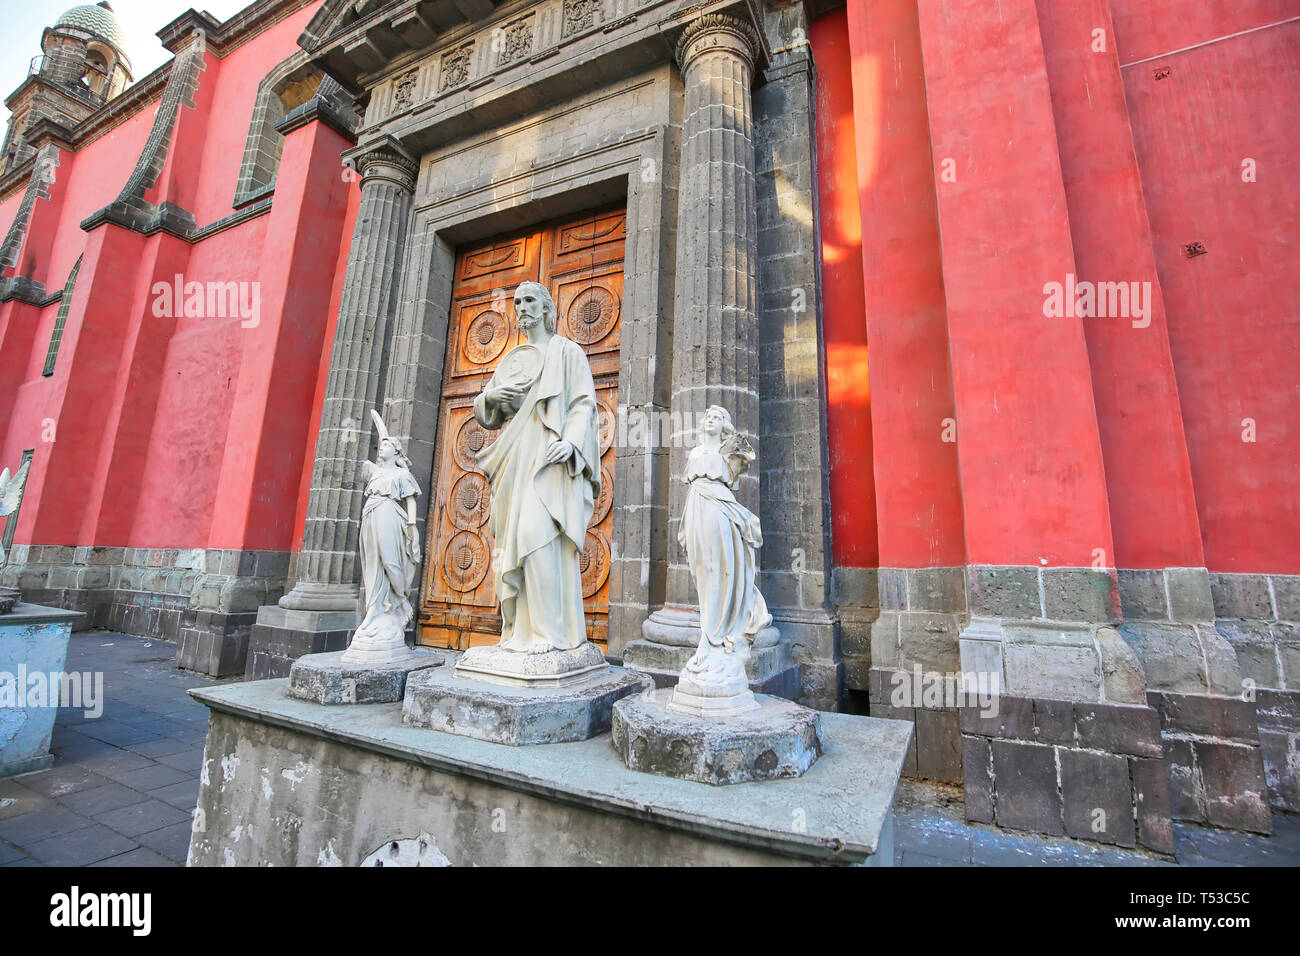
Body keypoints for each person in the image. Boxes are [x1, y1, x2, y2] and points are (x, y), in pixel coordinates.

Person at [470, 281, 601, 654]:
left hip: (549, 457)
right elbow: (488, 411)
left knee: (538, 535)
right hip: (515, 458)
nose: (521, 307)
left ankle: (550, 633)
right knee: (513, 541)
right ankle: (518, 632)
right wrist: (491, 397)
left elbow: (583, 405)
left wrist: (571, 442)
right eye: (516, 302)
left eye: (529, 301)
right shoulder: (514, 358)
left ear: (546, 309)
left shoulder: (567, 352)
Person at [677, 404, 771, 689]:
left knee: (719, 569)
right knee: (702, 572)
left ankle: (718, 638)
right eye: (707, 416)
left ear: (725, 427)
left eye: (716, 417)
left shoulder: (728, 453)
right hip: (696, 508)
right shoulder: (694, 454)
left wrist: (732, 441)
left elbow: (747, 454)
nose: (709, 420)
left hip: (719, 511)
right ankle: (707, 640)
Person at [342, 411, 421, 662]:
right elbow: (352, 459)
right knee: (372, 564)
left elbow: (410, 503)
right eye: (381, 444)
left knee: (390, 560)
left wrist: (412, 529)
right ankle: (375, 611)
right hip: (371, 514)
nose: (381, 447)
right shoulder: (374, 472)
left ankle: (400, 599)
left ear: (397, 452)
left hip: (391, 517)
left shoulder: (402, 475)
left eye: (386, 444)